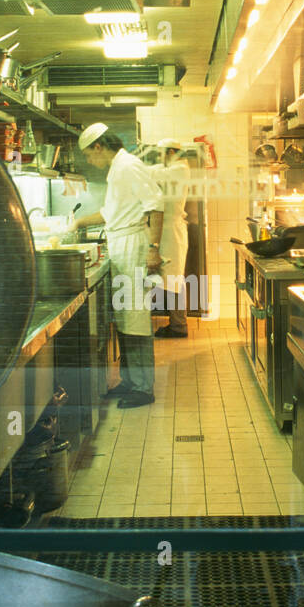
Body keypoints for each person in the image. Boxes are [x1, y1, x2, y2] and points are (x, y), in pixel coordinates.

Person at [71, 124, 164, 408]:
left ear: (99, 147)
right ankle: (130, 381)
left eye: (89, 155)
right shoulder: (118, 168)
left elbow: (156, 204)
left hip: (134, 248)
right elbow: (110, 213)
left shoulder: (128, 166)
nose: (89, 161)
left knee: (135, 319)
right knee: (125, 320)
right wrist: (77, 222)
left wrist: (153, 248)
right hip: (122, 247)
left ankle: (143, 388)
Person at [151, 138, 191, 338]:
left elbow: (155, 173)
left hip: (172, 232)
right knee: (172, 280)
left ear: (170, 153)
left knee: (174, 280)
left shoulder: (180, 169)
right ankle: (176, 324)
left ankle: (178, 326)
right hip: (169, 230)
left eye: (161, 154)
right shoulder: (175, 168)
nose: (160, 159)